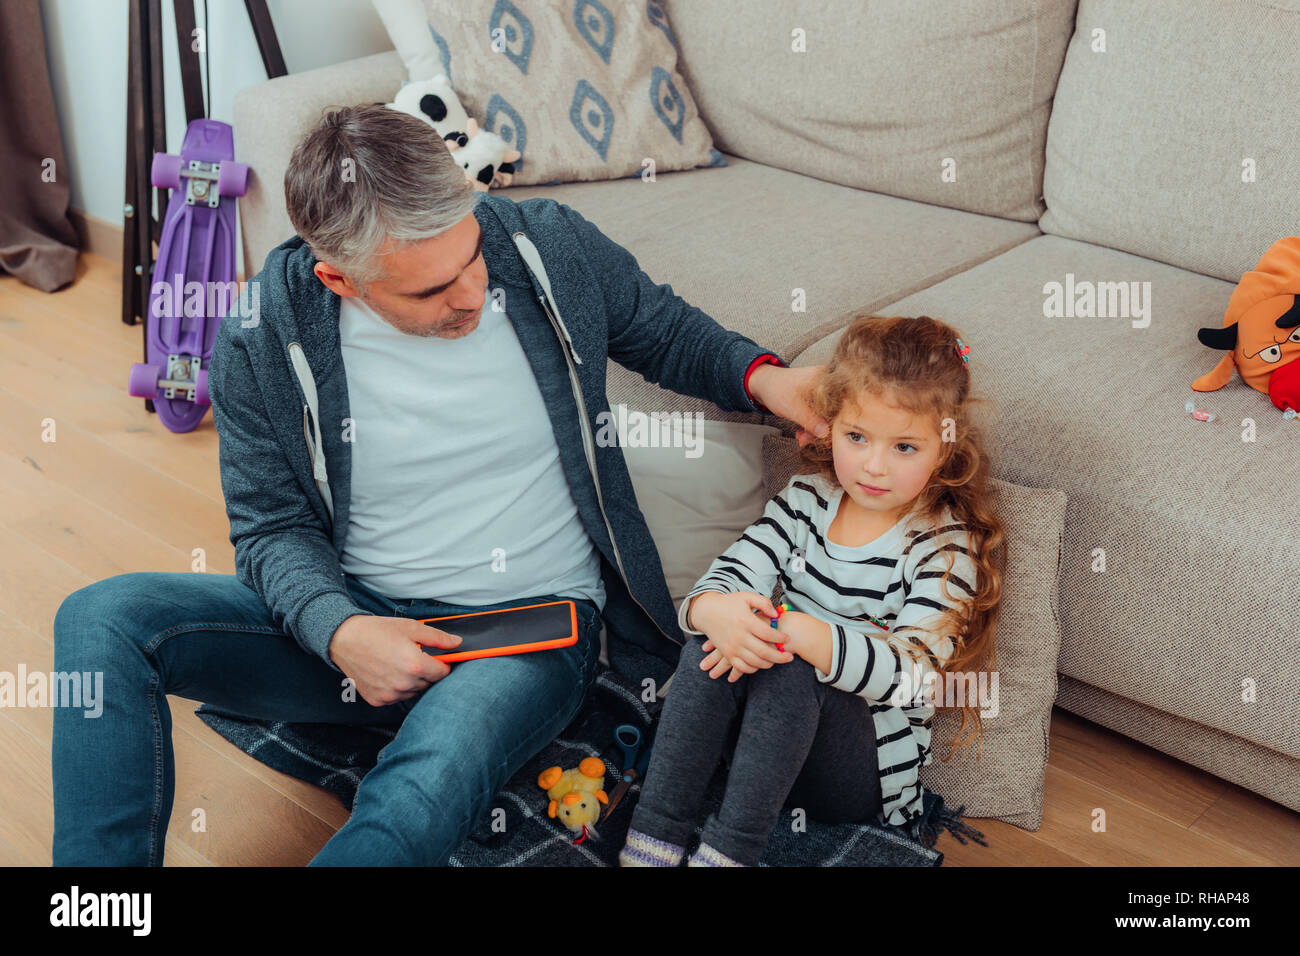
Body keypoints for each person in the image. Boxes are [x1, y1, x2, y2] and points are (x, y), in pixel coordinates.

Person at [50, 103, 827, 866]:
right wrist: (341, 630)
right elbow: (270, 527)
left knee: (420, 787)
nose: (468, 296)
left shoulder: (542, 245)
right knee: (102, 620)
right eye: (427, 291)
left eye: (470, 259)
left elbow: (661, 329)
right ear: (338, 278)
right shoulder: (262, 333)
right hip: (360, 616)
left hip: (525, 626)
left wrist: (768, 381)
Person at [619, 314, 1006, 867]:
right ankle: (653, 836)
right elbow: (727, 575)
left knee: (792, 666)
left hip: (856, 774)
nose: (873, 466)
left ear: (944, 449)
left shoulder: (942, 547)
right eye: (856, 437)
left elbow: (914, 676)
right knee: (712, 643)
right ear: (830, 426)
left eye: (904, 447)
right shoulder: (807, 499)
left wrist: (806, 634)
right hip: (762, 749)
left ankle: (730, 853)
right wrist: (717, 612)